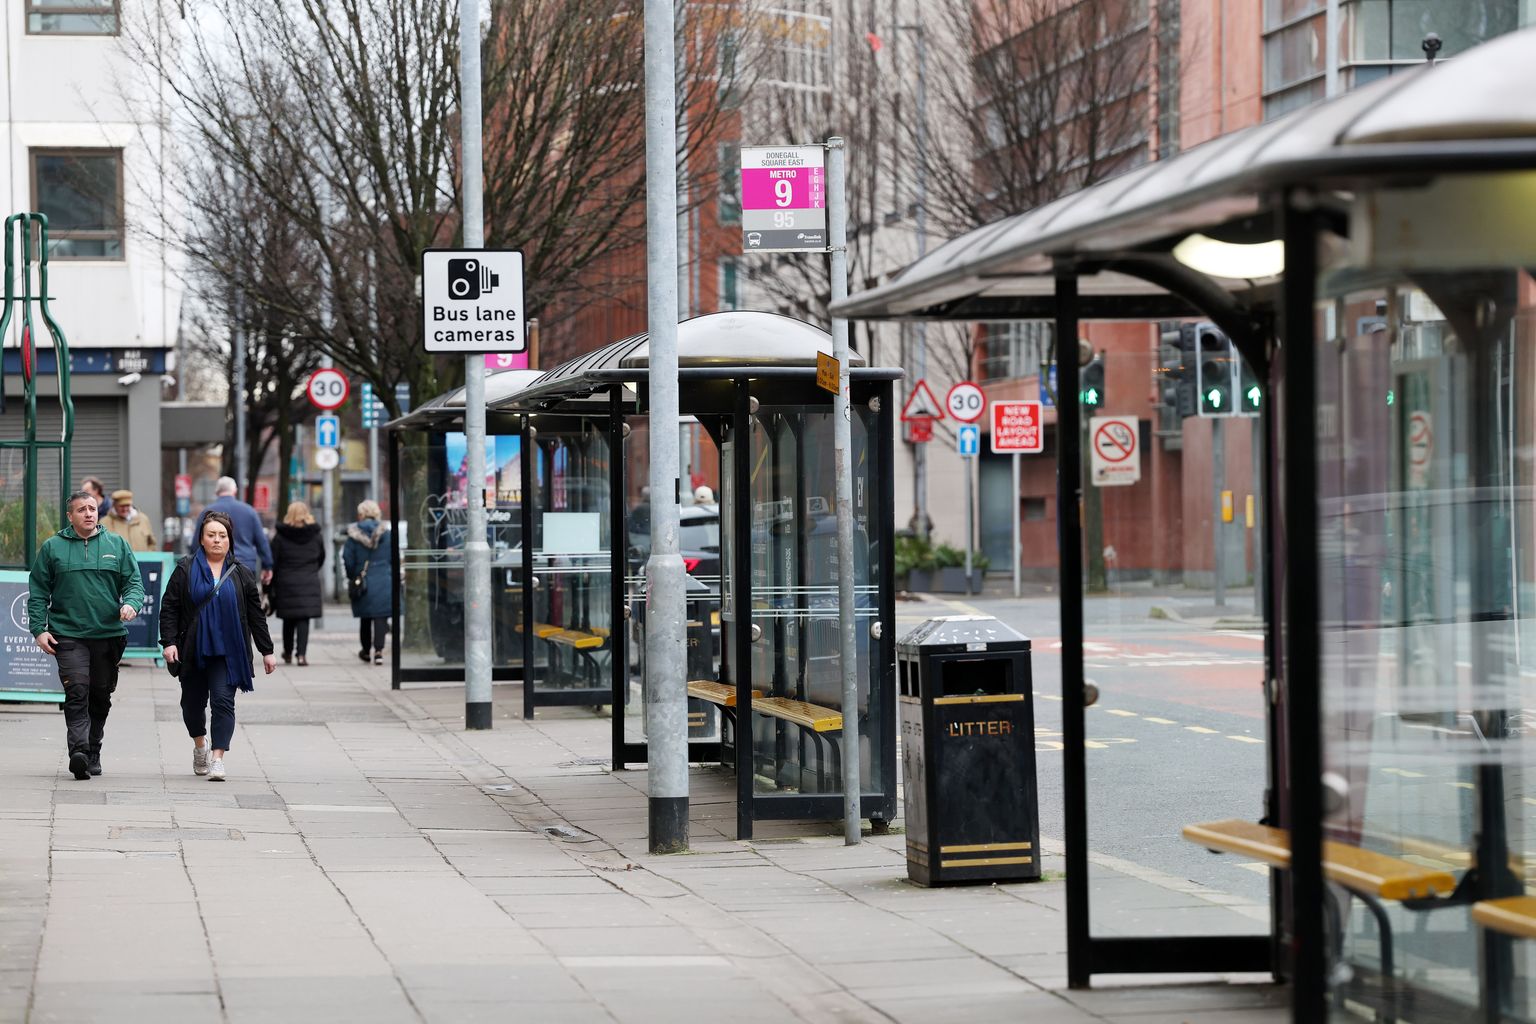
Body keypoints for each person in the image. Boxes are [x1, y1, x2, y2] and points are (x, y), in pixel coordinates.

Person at [27, 490, 144, 780]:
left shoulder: (116, 545)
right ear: (70, 516)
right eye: (82, 510)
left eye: (92, 508)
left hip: (107, 635)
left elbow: (134, 583)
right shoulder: (53, 547)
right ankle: (78, 752)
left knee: (100, 695)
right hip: (68, 634)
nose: (89, 513)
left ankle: (93, 750)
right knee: (77, 690)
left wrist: (131, 603)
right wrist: (39, 630)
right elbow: (38, 592)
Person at [160, 511, 276, 782]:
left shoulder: (242, 573)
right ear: (201, 539)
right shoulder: (185, 569)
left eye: (222, 536)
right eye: (211, 535)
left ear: (229, 540)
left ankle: (217, 758)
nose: (216, 540)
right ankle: (200, 746)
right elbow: (170, 608)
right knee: (192, 704)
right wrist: (169, 643)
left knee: (223, 702)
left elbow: (256, 615)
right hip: (192, 649)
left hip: (228, 651)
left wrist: (266, 651)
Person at [270, 500, 325, 666]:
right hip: (309, 579)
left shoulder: (280, 537)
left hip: (286, 581)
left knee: (288, 618)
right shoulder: (316, 536)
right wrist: (311, 569)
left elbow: (274, 560)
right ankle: (301, 655)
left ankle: (287, 652)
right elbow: (321, 557)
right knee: (303, 619)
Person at [343, 499, 392, 665]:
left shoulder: (353, 535)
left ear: (361, 514)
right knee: (381, 616)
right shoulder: (387, 533)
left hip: (363, 580)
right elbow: (394, 557)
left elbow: (347, 559)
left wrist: (353, 576)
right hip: (384, 578)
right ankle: (379, 652)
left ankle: (365, 651)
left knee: (366, 616)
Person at [203, 476, 274, 585]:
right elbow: (262, 542)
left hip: (215, 567)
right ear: (234, 491)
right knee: (245, 600)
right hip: (246, 566)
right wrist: (267, 566)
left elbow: (197, 544)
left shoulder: (207, 512)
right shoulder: (250, 512)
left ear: (217, 491)